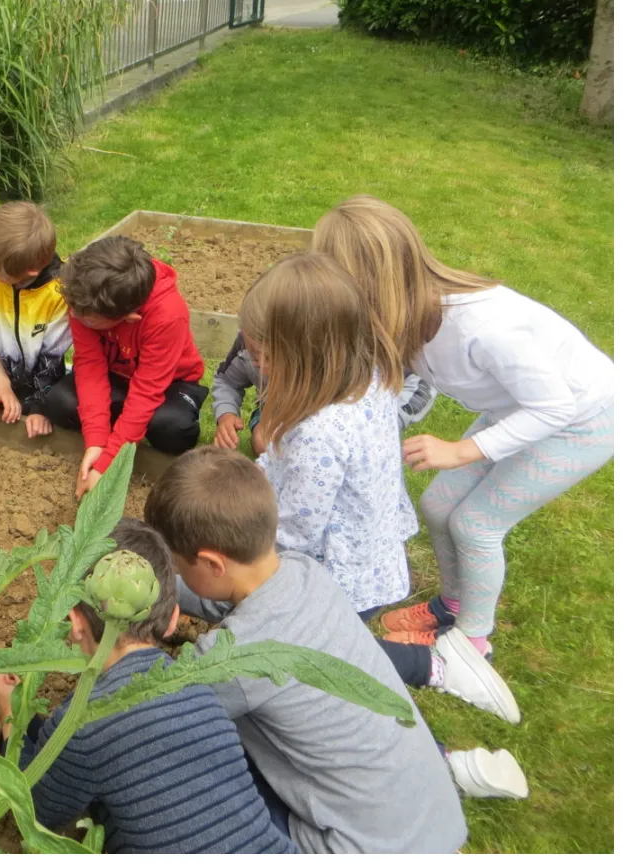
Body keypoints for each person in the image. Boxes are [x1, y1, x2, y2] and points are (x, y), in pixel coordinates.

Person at [144, 449, 530, 852]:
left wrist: (131, 628)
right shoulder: (302, 573)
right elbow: (223, 599)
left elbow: (152, 711)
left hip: (353, 847)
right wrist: (164, 586)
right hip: (434, 821)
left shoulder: (236, 660)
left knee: (183, 780)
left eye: (177, 566)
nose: (176, 574)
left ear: (210, 563)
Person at [312, 196, 614, 658]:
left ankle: (471, 644)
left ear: (369, 282)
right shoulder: (403, 314)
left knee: (476, 525)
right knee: (437, 505)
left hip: (583, 419)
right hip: (517, 408)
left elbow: (553, 406)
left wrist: (460, 451)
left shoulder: (483, 328)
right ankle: (452, 605)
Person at [0, 518, 297, 854]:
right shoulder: (199, 686)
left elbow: (37, 810)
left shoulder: (83, 725)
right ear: (174, 620)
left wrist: (11, 719)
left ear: (75, 623)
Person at [237, 253, 415, 618]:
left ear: (305, 355)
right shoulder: (369, 376)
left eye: (264, 357)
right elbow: (282, 460)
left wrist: (243, 543)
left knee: (318, 660)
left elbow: (296, 533)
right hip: (371, 547)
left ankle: (416, 662)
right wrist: (257, 472)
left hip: (335, 581)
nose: (257, 366)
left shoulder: (317, 435)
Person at [44, 236, 207, 499]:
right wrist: (96, 442)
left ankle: (126, 430)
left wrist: (107, 464)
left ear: (129, 319)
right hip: (116, 376)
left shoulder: (168, 316)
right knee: (58, 400)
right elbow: (89, 368)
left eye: (85, 318)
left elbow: (146, 393)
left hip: (170, 385)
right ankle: (120, 429)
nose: (73, 316)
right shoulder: (83, 299)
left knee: (172, 428)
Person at [211, 330, 438, 455]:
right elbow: (226, 380)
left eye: (269, 357)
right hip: (278, 409)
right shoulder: (249, 341)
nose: (258, 364)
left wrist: (385, 422)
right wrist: (226, 413)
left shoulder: (343, 347)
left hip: (338, 418)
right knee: (265, 443)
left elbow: (420, 383)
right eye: (254, 355)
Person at [0, 201, 71, 439]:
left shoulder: (60, 292)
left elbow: (51, 359)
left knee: (44, 419)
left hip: (40, 384)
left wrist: (41, 408)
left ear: (28, 272)